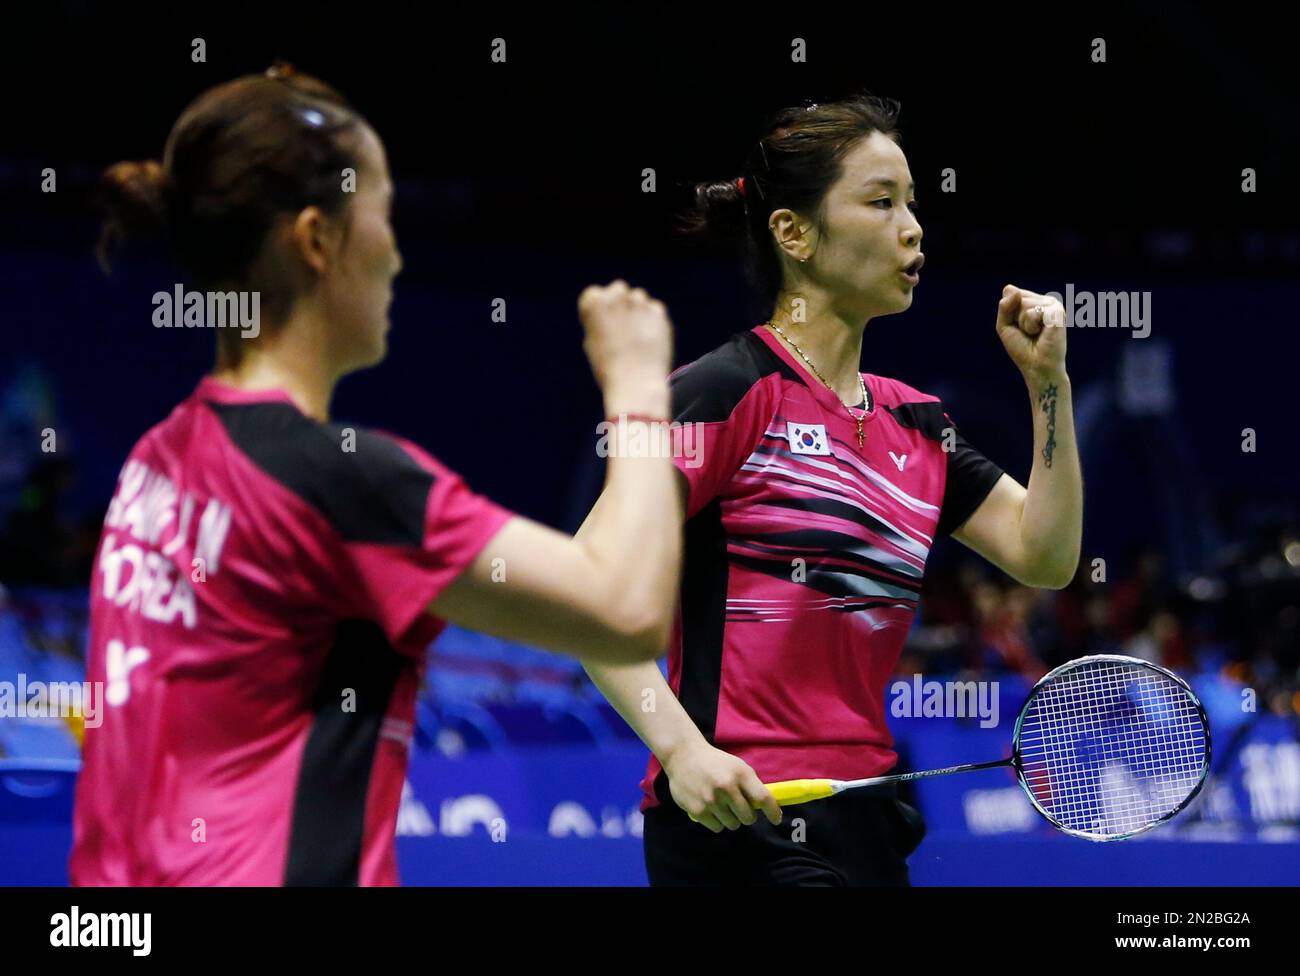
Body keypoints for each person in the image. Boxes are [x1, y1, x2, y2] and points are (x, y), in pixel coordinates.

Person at [71, 65, 682, 885]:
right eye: (385, 215)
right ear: (319, 240)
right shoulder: (340, 483)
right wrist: (639, 389)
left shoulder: (155, 461)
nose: (396, 252)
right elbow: (628, 612)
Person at [581, 94, 1083, 885]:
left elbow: (1045, 555)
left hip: (867, 813)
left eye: (912, 204)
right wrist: (680, 751)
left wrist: (1048, 387)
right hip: (739, 817)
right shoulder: (725, 394)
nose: (913, 228)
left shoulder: (917, 424)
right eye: (881, 203)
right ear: (794, 233)